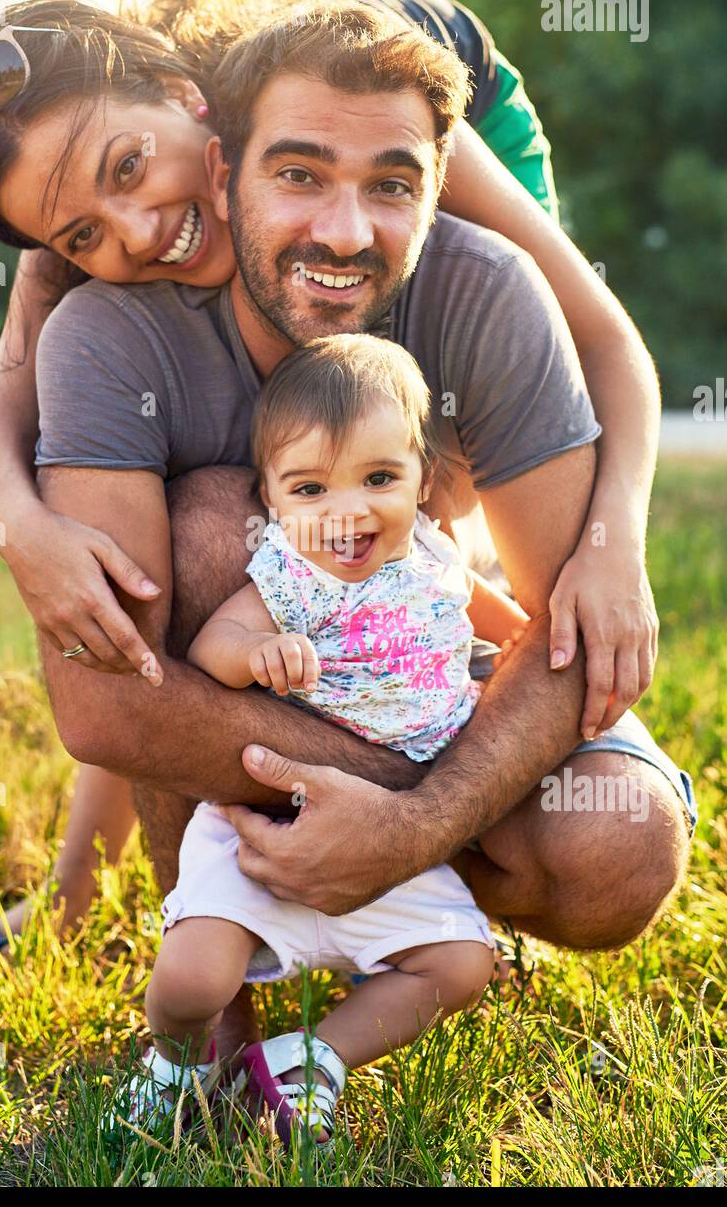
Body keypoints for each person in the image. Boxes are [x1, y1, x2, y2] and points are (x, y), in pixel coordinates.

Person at [0, 0, 697, 1066]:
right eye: (83, 231)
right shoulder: (84, 253)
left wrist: (613, 538)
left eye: (133, 168)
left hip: (444, 76)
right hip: (225, 255)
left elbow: (607, 342)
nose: (138, 229)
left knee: (415, 493)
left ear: (197, 110)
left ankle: (397, 828)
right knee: (188, 538)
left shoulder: (381, 132)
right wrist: (20, 520)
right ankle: (154, 929)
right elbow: (10, 396)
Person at [113, 336, 525, 1145]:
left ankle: (307, 1062)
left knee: (458, 967)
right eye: (310, 488)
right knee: (194, 976)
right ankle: (173, 1068)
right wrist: (254, 653)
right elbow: (210, 650)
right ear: (270, 501)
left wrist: (517, 651)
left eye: (379, 479)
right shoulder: (289, 578)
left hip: (391, 840)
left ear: (423, 481)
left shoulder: (438, 560)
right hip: (266, 828)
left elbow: (498, 621)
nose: (347, 511)